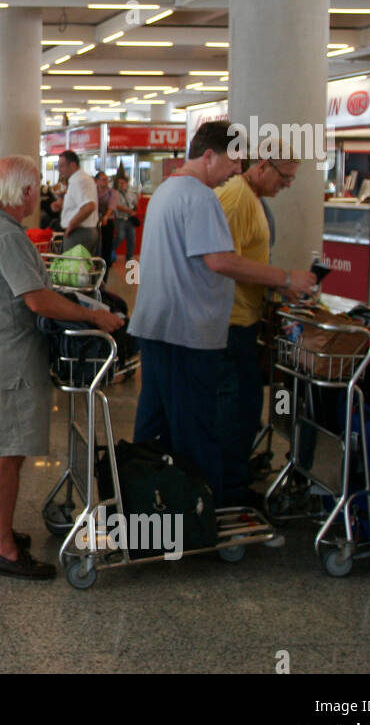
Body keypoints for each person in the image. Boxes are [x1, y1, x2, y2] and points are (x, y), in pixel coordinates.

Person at [130, 122, 315, 506]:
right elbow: (220, 260)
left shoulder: (166, 190)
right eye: (232, 162)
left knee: (155, 422)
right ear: (209, 155)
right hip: (187, 332)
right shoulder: (200, 197)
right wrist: (284, 278)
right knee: (198, 427)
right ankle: (202, 511)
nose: (235, 172)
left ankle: (146, 503)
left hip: (157, 326)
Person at [0, 155, 122, 579]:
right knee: (8, 452)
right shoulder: (6, 234)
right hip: (13, 358)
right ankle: (2, 548)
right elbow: (36, 298)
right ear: (23, 191)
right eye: (36, 185)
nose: (41, 192)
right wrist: (92, 315)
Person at [215, 147, 302, 508]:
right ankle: (229, 494)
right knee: (237, 412)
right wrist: (281, 279)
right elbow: (223, 261)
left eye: (291, 181)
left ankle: (232, 484)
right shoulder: (237, 198)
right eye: (283, 177)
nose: (286, 186)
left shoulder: (250, 198)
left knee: (245, 408)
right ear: (263, 166)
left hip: (242, 321)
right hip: (230, 324)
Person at [50, 150, 98, 254]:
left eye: (62, 166)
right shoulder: (83, 178)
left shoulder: (78, 180)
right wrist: (62, 204)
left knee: (72, 268)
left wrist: (71, 225)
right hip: (84, 231)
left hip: (79, 232)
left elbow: (89, 206)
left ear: (72, 165)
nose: (59, 170)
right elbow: (81, 203)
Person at [112, 173, 138, 265]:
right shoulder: (115, 193)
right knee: (120, 236)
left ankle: (129, 256)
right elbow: (116, 206)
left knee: (132, 238)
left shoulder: (131, 194)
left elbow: (135, 204)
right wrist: (127, 210)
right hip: (120, 218)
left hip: (130, 219)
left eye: (123, 183)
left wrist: (134, 210)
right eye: (119, 183)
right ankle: (110, 250)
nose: (121, 185)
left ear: (127, 183)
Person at [95, 171, 117, 268]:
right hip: (94, 221)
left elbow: (111, 207)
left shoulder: (112, 192)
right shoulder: (92, 191)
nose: (106, 181)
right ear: (97, 181)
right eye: (103, 179)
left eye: (107, 179)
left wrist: (106, 217)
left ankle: (105, 270)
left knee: (106, 247)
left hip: (107, 221)